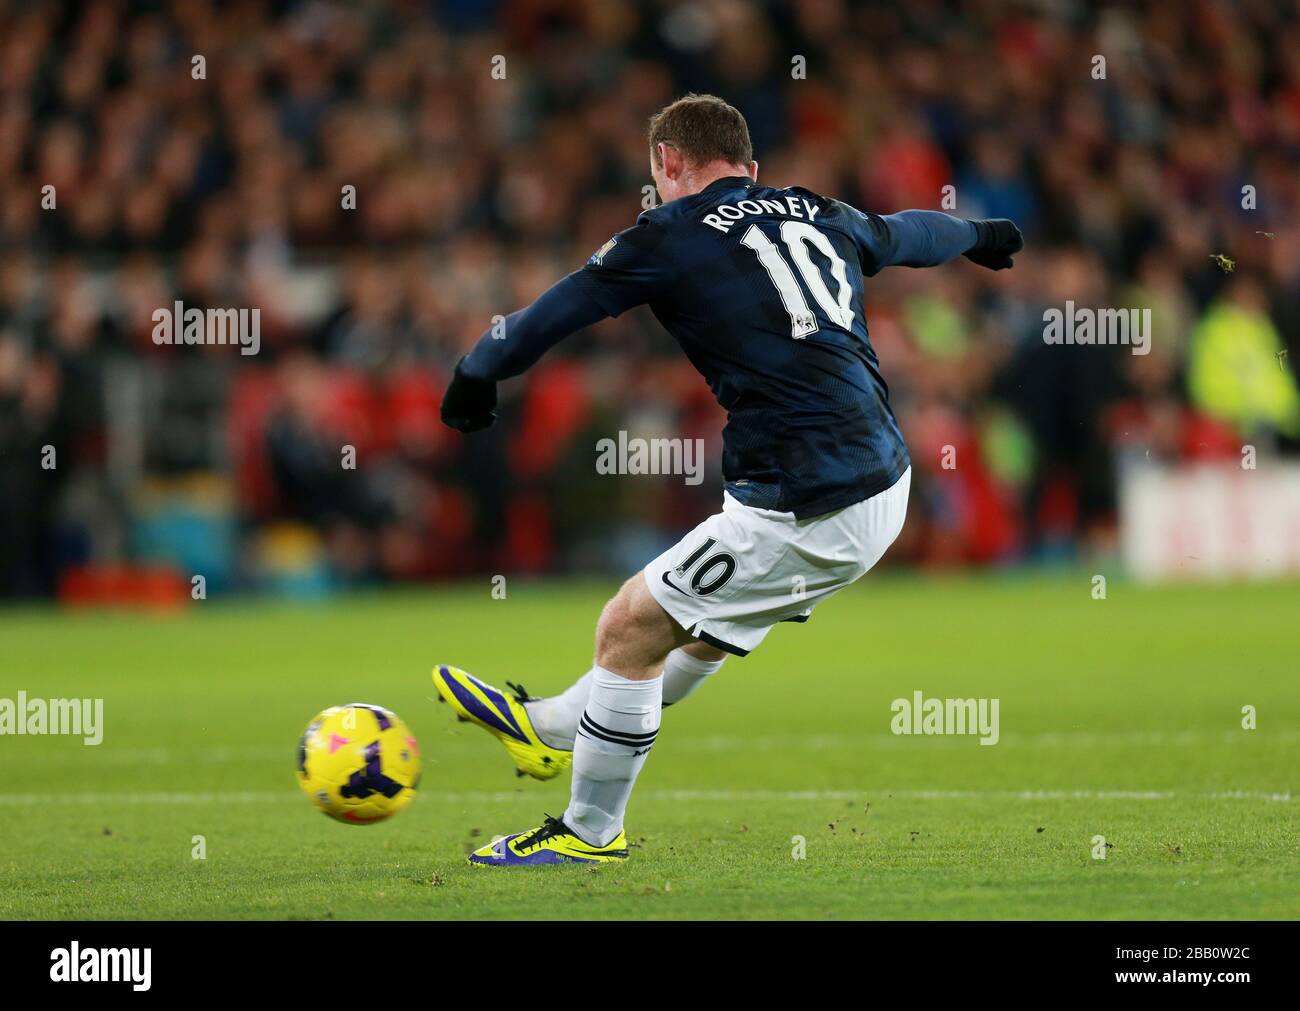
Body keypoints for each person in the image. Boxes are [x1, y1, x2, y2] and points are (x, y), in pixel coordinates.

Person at [435, 94, 1023, 865]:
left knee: (629, 628)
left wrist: (476, 371)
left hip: (811, 499)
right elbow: (910, 232)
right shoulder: (813, 209)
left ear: (667, 165)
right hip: (879, 477)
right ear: (751, 166)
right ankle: (545, 729)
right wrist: (981, 234)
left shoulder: (667, 234)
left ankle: (587, 830)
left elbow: (553, 313)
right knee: (699, 632)